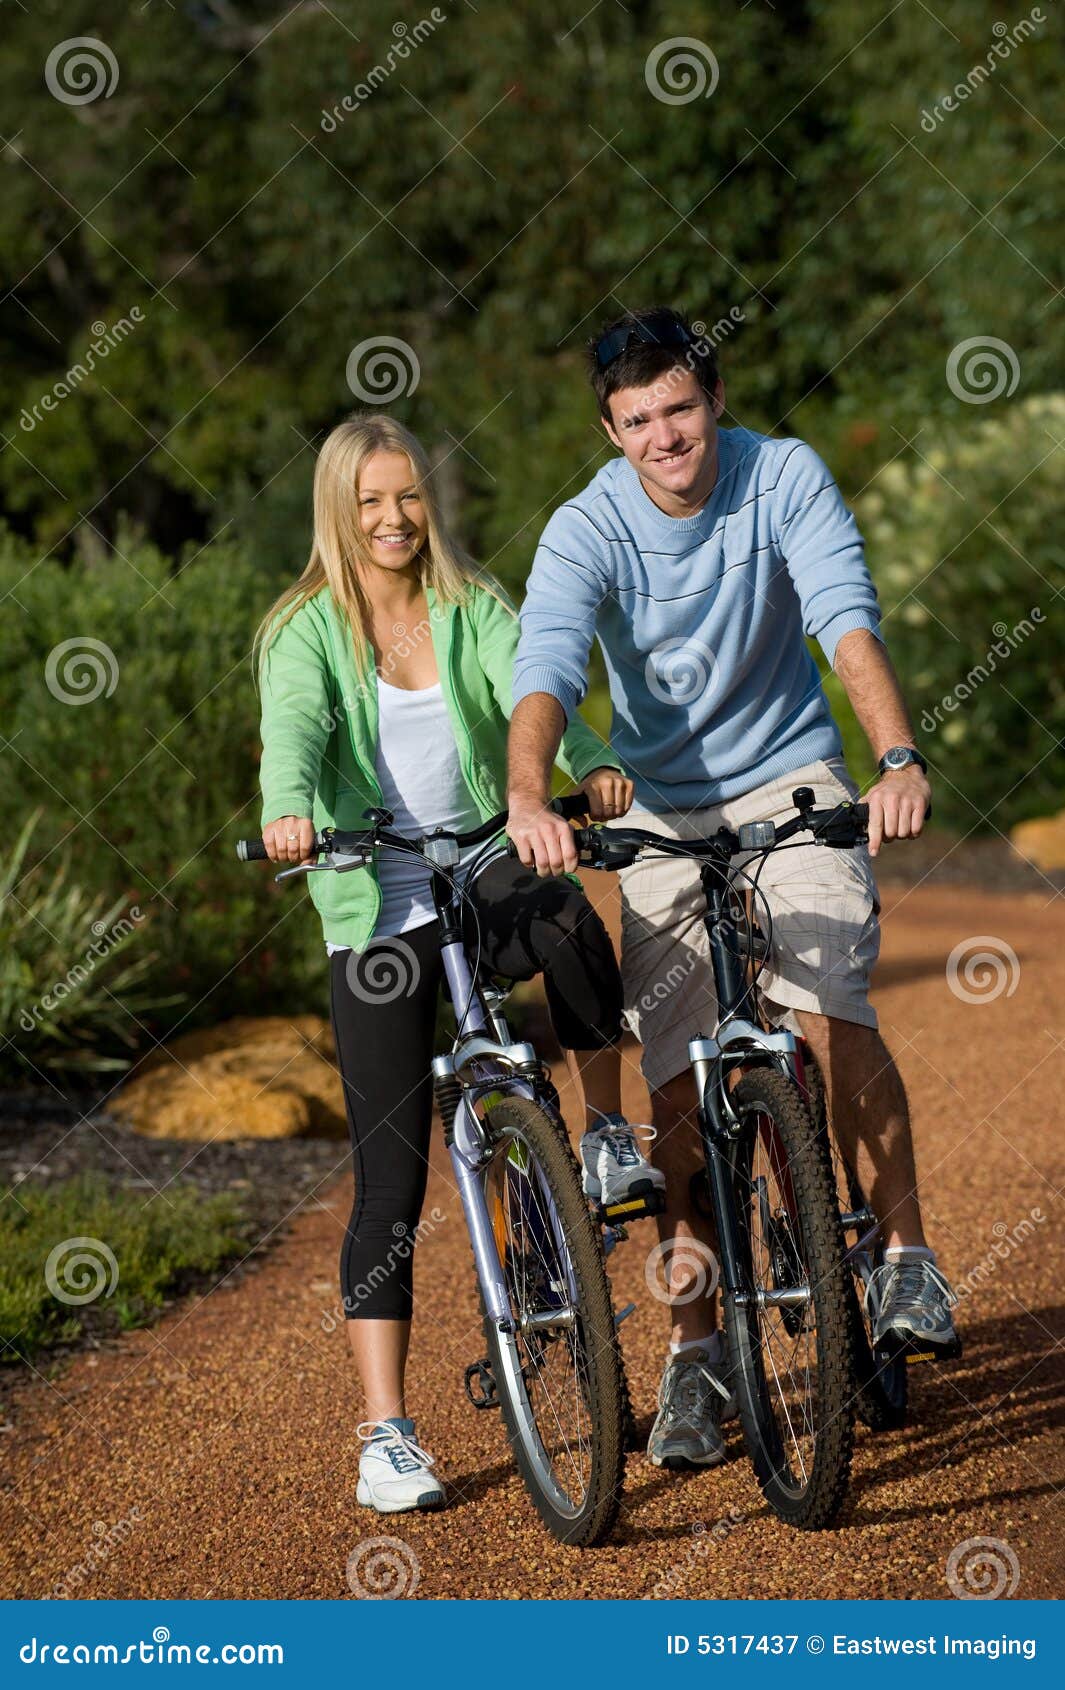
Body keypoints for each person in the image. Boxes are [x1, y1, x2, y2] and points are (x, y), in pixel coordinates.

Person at [506, 306, 960, 1472]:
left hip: (792, 774)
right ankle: (696, 1349)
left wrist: (897, 756)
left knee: (832, 1003)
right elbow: (546, 662)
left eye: (680, 409)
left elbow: (843, 615)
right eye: (637, 420)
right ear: (611, 432)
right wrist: (527, 797)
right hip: (663, 806)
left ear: (715, 401)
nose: (664, 436)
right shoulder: (586, 527)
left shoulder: (782, 476)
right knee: (674, 1084)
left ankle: (905, 1257)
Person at [253, 412, 664, 1514]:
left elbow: (534, 691)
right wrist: (288, 810)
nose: (393, 519)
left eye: (408, 496)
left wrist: (589, 763)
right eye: (370, 501)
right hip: (373, 896)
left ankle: (606, 1135)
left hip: (477, 858)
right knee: (389, 1180)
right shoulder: (304, 631)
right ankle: (386, 1434)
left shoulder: (471, 603)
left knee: (569, 922)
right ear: (339, 512)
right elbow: (292, 729)